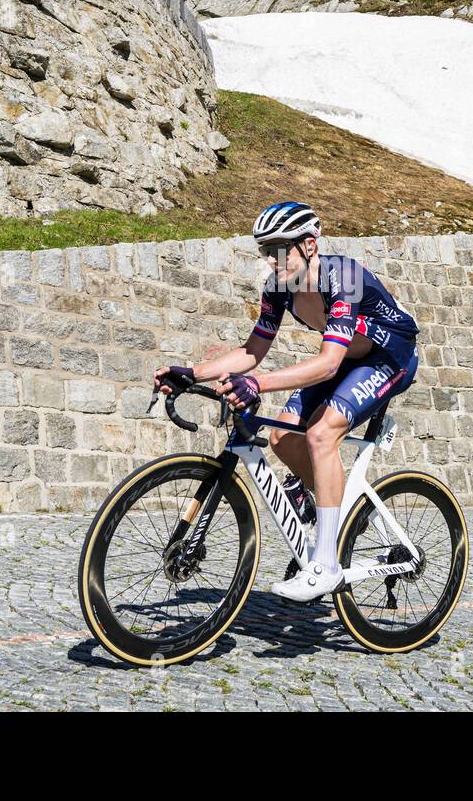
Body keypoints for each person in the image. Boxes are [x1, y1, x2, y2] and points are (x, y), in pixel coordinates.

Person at [153, 202, 421, 602]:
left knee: (320, 434)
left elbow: (328, 364)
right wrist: (192, 372)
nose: (272, 259)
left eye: (281, 249)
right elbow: (251, 352)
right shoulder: (278, 288)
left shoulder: (343, 277)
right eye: (266, 250)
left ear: (310, 246)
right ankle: (342, 516)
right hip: (350, 359)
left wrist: (257, 385)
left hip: (389, 358)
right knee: (281, 438)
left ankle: (327, 564)